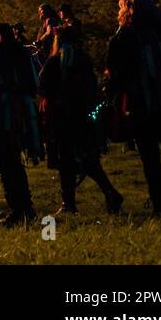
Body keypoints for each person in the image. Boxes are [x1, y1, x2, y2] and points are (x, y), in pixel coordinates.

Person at [106, 0, 161, 217]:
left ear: (127, 9)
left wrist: (110, 90)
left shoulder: (126, 36)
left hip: (144, 104)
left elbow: (117, 72)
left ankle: (160, 205)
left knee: (151, 158)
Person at [38, 23, 124, 216]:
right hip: (83, 115)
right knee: (86, 159)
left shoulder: (56, 61)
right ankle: (108, 194)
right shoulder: (83, 60)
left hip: (63, 116)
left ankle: (70, 203)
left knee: (66, 160)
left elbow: (42, 84)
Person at [0, 22, 42, 226]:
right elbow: (34, 82)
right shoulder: (23, 54)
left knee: (6, 161)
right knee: (14, 160)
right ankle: (25, 207)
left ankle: (18, 208)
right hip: (22, 114)